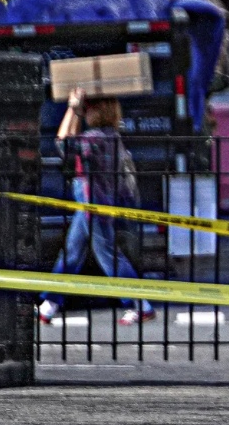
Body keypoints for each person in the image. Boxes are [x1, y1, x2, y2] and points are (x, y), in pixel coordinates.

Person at [36, 91, 154, 327]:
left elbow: (62, 145)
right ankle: (49, 305)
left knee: (107, 255)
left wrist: (73, 109)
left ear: (99, 110)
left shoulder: (96, 138)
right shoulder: (110, 136)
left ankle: (141, 304)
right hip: (95, 202)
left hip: (93, 204)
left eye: (90, 107)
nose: (87, 111)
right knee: (71, 252)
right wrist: (78, 111)